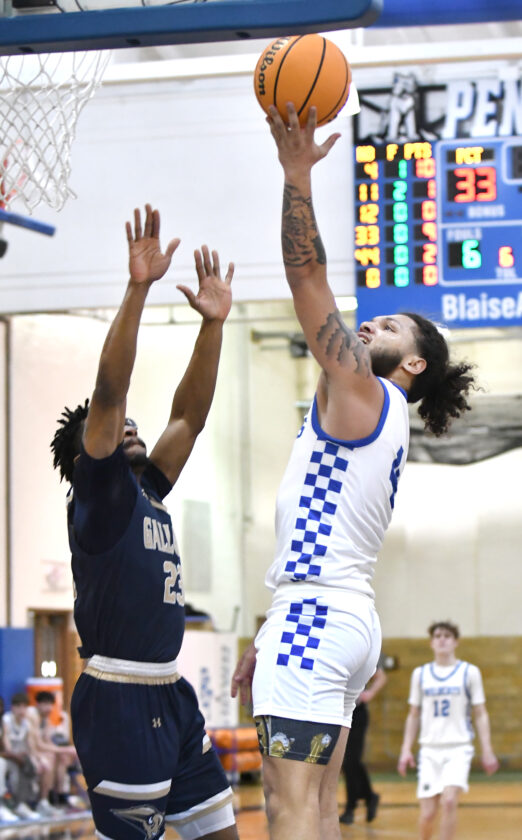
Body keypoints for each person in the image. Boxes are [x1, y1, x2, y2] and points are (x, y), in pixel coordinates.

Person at [230, 103, 477, 840]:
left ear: (413, 363)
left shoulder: (366, 394)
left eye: (390, 326)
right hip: (335, 617)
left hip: (316, 616)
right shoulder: (368, 412)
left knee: (289, 805)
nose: (368, 323)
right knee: (321, 803)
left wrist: (297, 173)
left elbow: (307, 276)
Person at [50, 204, 238, 840]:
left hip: (171, 694)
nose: (130, 426)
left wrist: (211, 327)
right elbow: (110, 391)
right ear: (88, 454)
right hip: (119, 701)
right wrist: (138, 290)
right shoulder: (99, 497)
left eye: (133, 425)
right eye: (115, 428)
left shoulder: (147, 489)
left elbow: (187, 418)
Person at [397, 621, 499, 840]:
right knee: (428, 813)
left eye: (447, 635)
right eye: (437, 636)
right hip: (429, 750)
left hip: (458, 748)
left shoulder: (469, 672)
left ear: (456, 642)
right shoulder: (420, 674)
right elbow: (413, 715)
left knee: (450, 801)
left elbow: (480, 713)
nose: (442, 639)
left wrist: (488, 750)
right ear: (431, 643)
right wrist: (406, 750)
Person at [339, 662, 387, 825]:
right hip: (336, 712)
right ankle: (369, 796)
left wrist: (370, 694)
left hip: (356, 713)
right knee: (348, 762)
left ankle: (350, 809)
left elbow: (381, 676)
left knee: (351, 761)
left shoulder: (361, 650)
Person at [2, 692, 57, 820]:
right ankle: (11, 805)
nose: (21, 710)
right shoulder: (6, 720)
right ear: (13, 707)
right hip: (10, 757)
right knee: (18, 768)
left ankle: (29, 803)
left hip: (22, 757)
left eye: (24, 707)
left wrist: (37, 759)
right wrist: (18, 758)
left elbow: (31, 746)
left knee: (38, 764)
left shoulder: (26, 724)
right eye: (18, 707)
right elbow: (7, 747)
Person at [26, 690, 80, 808]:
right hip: (27, 752)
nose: (49, 708)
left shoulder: (46, 719)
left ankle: (59, 794)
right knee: (50, 758)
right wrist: (66, 750)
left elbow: (48, 742)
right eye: (45, 704)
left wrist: (66, 751)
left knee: (61, 757)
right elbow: (38, 745)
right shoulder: (32, 715)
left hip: (37, 751)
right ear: (38, 704)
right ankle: (43, 799)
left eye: (51, 704)